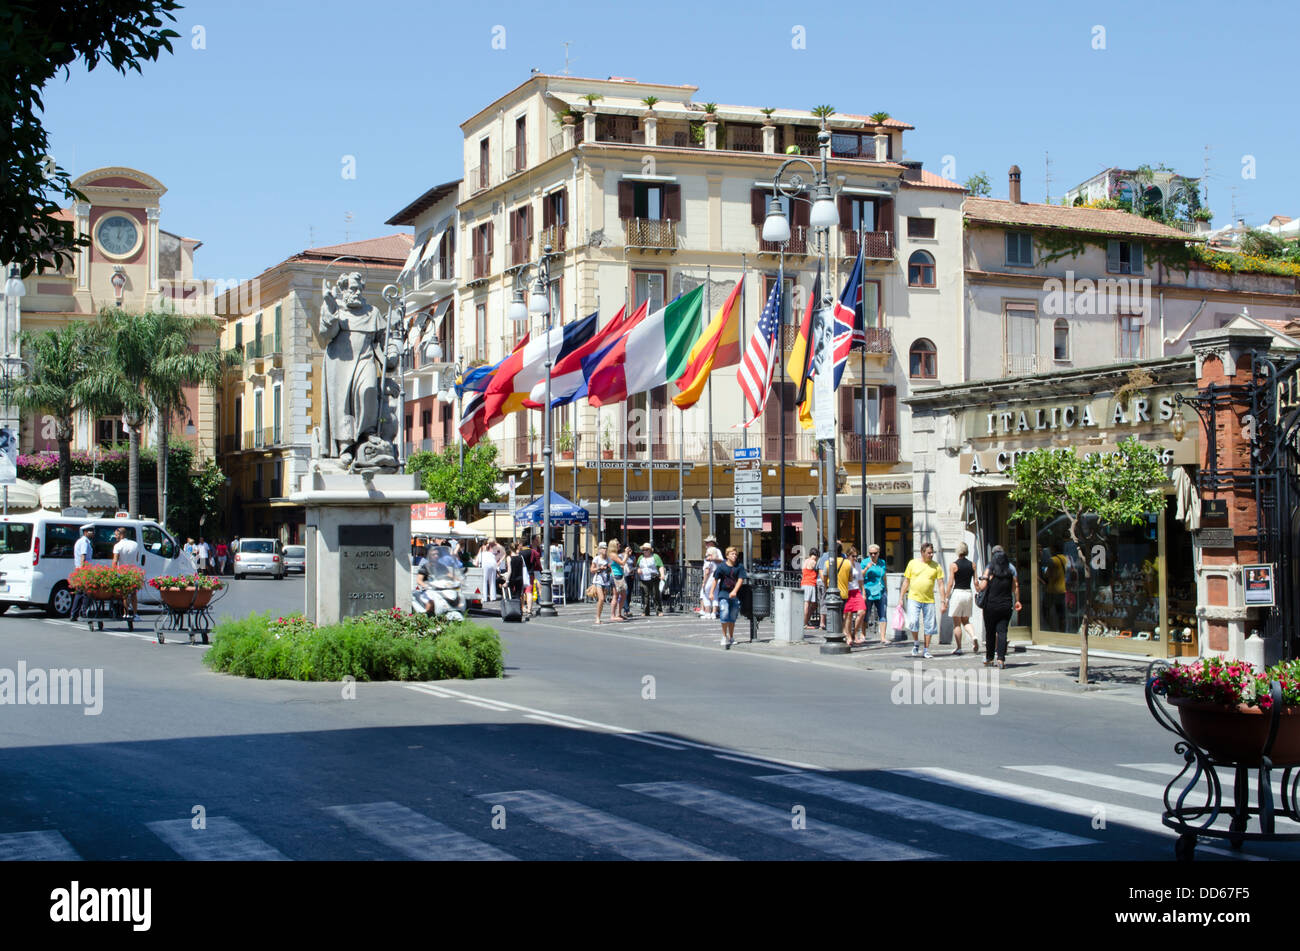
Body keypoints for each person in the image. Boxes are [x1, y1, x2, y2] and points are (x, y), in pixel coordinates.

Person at [976, 545, 1021, 669]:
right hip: (1006, 605)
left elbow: (982, 587)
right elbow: (1015, 586)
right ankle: (1001, 659)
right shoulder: (1011, 568)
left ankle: (989, 658)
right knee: (1002, 632)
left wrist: (979, 582)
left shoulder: (990, 568)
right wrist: (1017, 600)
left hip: (991, 606)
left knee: (990, 632)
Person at [899, 541, 943, 659]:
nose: (931, 555)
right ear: (922, 553)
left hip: (929, 600)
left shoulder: (936, 566)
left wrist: (943, 600)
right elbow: (906, 581)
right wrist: (901, 598)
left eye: (932, 552)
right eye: (929, 553)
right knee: (913, 622)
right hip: (914, 597)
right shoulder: (912, 563)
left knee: (929, 625)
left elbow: (941, 584)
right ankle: (916, 642)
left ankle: (926, 649)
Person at [711, 546, 747, 650]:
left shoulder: (739, 567)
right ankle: (724, 636)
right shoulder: (722, 567)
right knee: (724, 612)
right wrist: (711, 593)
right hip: (723, 593)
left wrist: (735, 591)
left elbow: (740, 579)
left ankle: (731, 637)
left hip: (735, 595)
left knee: (732, 616)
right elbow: (715, 579)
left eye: (735, 554)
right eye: (732, 554)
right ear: (727, 556)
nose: (734, 556)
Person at [943, 542, 976, 655]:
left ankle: (959, 647)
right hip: (968, 593)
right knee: (966, 620)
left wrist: (946, 597)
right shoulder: (973, 565)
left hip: (957, 593)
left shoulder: (954, 565)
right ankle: (973, 636)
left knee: (957, 623)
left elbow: (950, 583)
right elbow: (976, 582)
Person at [111, 526, 143, 619]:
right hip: (133, 572)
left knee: (125, 595)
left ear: (121, 534)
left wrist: (112, 573)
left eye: (116, 535)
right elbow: (137, 558)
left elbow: (115, 560)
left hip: (123, 573)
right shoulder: (135, 544)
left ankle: (126, 614)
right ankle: (135, 614)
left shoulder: (117, 546)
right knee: (133, 594)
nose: (115, 536)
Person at [862, 545, 890, 645]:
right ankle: (863, 635)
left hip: (881, 591)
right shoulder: (865, 562)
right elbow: (860, 576)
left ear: (878, 553)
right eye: (871, 553)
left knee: (883, 614)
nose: (873, 555)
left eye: (875, 553)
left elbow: (884, 575)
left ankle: (883, 637)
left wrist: (886, 588)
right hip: (869, 591)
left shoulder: (882, 562)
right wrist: (866, 568)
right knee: (866, 614)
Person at [68, 525, 96, 621]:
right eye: (90, 531)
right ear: (85, 532)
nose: (93, 533)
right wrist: (85, 572)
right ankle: (83, 612)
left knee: (80, 593)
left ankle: (74, 614)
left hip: (80, 569)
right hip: (83, 570)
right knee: (86, 592)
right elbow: (83, 557)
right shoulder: (84, 542)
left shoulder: (80, 541)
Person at [843, 546, 866, 646]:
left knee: (862, 611)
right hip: (847, 591)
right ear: (848, 556)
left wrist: (863, 592)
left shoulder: (858, 565)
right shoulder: (845, 564)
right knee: (848, 615)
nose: (855, 558)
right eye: (853, 556)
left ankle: (855, 632)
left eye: (856, 556)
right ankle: (848, 636)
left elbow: (860, 580)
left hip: (856, 591)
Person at [636, 542, 666, 617]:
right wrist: (638, 570)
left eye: (646, 549)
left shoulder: (655, 557)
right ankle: (646, 611)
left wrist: (662, 574)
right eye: (643, 550)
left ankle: (659, 610)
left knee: (655, 594)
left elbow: (660, 566)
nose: (644, 551)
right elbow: (637, 566)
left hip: (654, 578)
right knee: (645, 595)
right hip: (643, 578)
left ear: (650, 550)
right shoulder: (640, 557)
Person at [700, 536, 723, 619]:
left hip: (710, 578)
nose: (705, 543)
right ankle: (713, 612)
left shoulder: (709, 559)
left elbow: (707, 571)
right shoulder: (717, 553)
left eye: (707, 542)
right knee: (715, 595)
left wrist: (703, 582)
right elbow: (721, 560)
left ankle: (707, 613)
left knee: (705, 594)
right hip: (717, 577)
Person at [590, 543, 611, 624]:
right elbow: (592, 570)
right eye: (603, 548)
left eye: (606, 548)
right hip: (598, 580)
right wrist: (599, 568)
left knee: (602, 601)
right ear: (599, 550)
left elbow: (611, 567)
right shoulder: (597, 558)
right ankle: (597, 618)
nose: (605, 550)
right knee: (601, 598)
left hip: (605, 580)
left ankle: (599, 616)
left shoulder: (608, 559)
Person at [608, 539, 628, 621]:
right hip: (616, 576)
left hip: (619, 575)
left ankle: (619, 613)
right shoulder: (612, 554)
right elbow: (622, 562)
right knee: (615, 596)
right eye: (617, 544)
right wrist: (626, 554)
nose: (619, 545)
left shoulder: (615, 554)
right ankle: (613, 615)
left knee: (623, 595)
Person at [801, 547, 820, 630]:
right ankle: (804, 623)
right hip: (810, 583)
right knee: (807, 604)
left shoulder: (805, 561)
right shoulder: (813, 562)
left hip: (804, 583)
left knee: (812, 604)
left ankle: (805, 621)